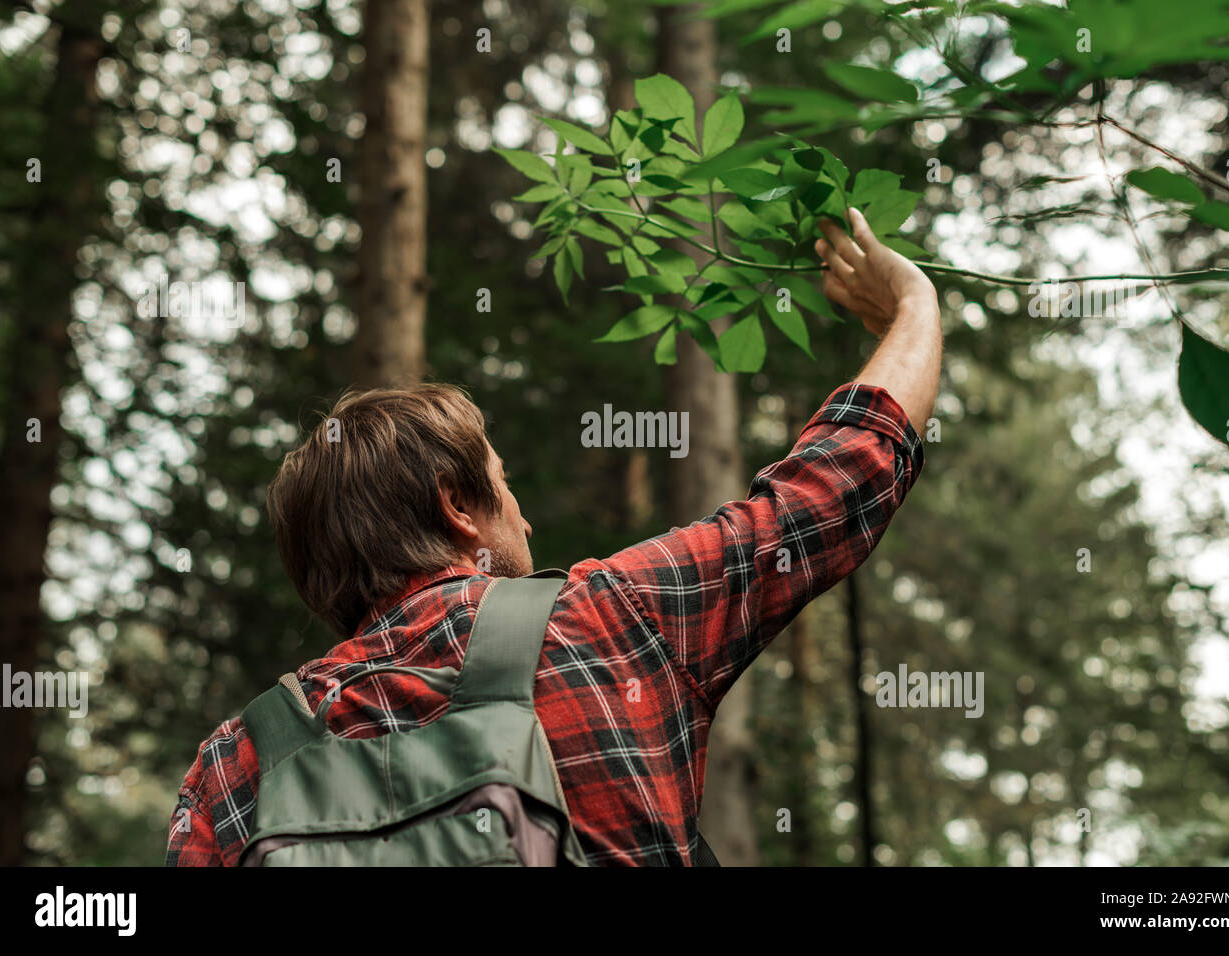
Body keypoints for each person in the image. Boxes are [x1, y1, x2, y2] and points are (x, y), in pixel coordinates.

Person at [166, 207, 943, 866]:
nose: (526, 518)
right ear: (458, 508)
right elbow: (830, 488)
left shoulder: (232, 766)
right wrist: (913, 306)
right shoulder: (604, 619)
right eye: (505, 488)